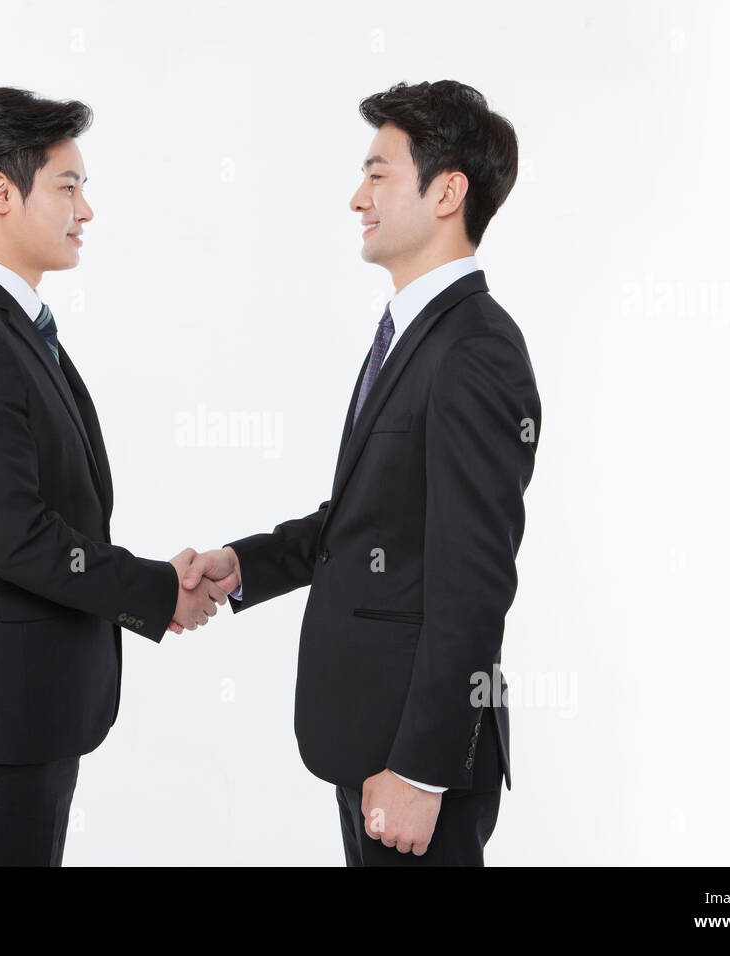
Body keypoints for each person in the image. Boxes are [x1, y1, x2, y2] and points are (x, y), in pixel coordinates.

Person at [181, 80, 540, 866]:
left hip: (414, 756)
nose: (357, 197)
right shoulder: (415, 333)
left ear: (448, 192)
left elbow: (475, 581)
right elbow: (373, 518)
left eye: (378, 174)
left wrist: (422, 767)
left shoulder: (476, 351)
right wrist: (245, 566)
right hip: (373, 740)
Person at [0, 87, 235, 866]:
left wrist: (153, 587)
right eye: (69, 187)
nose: (86, 211)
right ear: (0, 194)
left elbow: (50, 523)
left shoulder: (7, 327)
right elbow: (15, 537)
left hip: (20, 717)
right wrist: (155, 590)